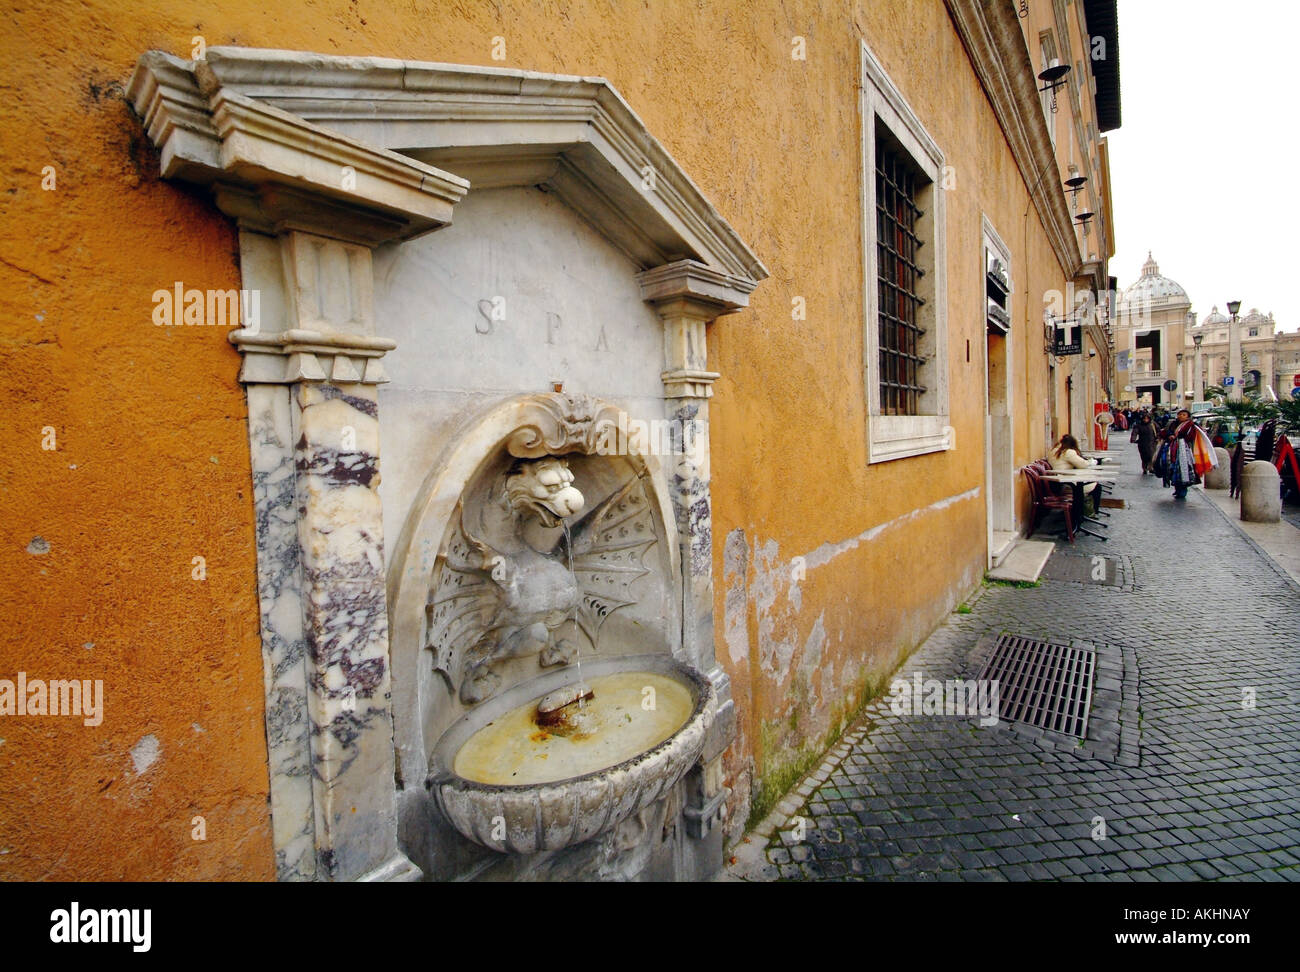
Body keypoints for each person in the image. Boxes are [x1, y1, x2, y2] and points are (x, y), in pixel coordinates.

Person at [1049, 433, 1099, 514]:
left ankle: (1080, 513)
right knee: (1096, 486)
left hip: (1055, 483)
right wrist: (1091, 462)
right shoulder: (1068, 452)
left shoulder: (1053, 451)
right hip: (1066, 484)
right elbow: (1082, 464)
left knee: (1083, 486)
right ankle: (1090, 512)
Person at [1163, 408, 1200, 500]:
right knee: (1173, 468)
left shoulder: (1190, 425)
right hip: (1173, 448)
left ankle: (1183, 491)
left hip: (1184, 450)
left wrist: (1178, 437)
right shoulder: (1173, 423)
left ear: (1187, 416)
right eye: (1180, 414)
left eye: (1184, 415)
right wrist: (1170, 435)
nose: (1181, 416)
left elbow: (1190, 436)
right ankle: (1177, 489)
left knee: (1184, 470)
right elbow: (1167, 431)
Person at [1135, 410, 1158, 474]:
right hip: (1142, 443)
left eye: (1147, 419)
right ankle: (1144, 468)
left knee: (1151, 456)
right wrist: (1133, 439)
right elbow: (1135, 432)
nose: (1145, 420)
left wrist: (1158, 438)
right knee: (1144, 456)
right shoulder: (1139, 425)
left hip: (1152, 442)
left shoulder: (1153, 424)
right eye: (1144, 419)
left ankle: (1151, 468)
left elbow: (1158, 431)